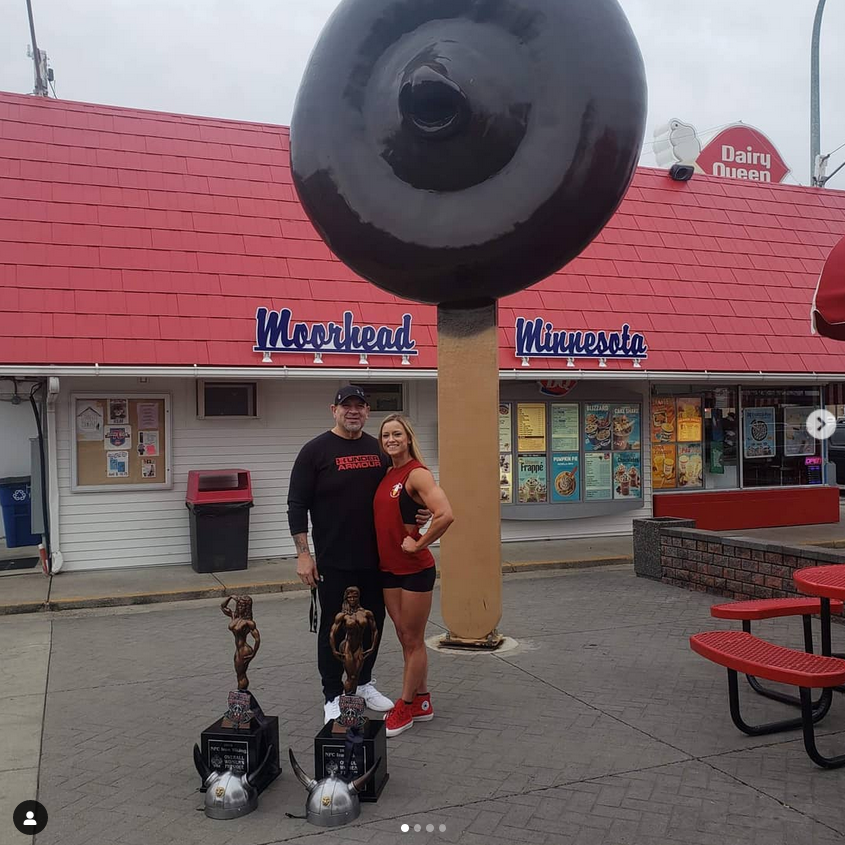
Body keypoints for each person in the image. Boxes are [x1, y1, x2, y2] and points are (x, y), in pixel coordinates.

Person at [288, 385, 427, 722]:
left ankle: (363, 683)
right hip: (334, 560)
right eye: (346, 406)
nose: (353, 411)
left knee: (371, 624)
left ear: (367, 412)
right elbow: (297, 504)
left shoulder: (379, 450)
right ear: (333, 410)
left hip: (377, 560)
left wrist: (419, 512)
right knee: (334, 627)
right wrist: (303, 554)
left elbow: (401, 490)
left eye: (359, 406)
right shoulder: (314, 451)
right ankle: (333, 695)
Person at [374, 414, 454, 737]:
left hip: (414, 570)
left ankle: (405, 706)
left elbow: (445, 514)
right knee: (405, 637)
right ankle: (422, 700)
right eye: (386, 435)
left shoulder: (416, 473)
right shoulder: (388, 473)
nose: (391, 440)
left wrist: (419, 542)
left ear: (408, 438)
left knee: (413, 639)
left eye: (397, 434)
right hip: (388, 570)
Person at [329, 586, 379, 694]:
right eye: (350, 597)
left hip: (359, 646)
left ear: (358, 597)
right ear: (346, 598)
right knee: (351, 675)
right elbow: (332, 633)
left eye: (355, 597)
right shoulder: (343, 615)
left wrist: (372, 647)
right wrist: (334, 649)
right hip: (347, 646)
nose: (352, 599)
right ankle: (347, 699)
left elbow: (374, 630)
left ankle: (353, 698)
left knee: (356, 675)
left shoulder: (366, 613)